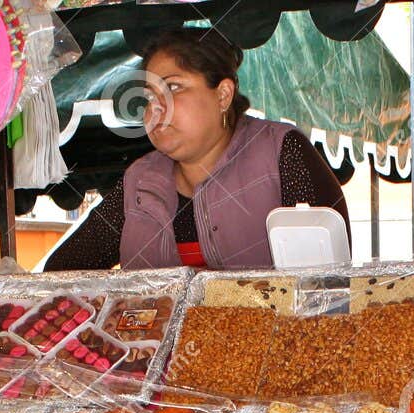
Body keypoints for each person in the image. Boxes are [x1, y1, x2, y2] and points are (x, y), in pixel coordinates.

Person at [44, 27, 349, 272]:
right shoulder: (140, 179)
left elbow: (326, 286)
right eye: (149, 95)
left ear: (223, 95)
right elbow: (62, 271)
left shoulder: (282, 153)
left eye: (173, 87)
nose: (156, 107)